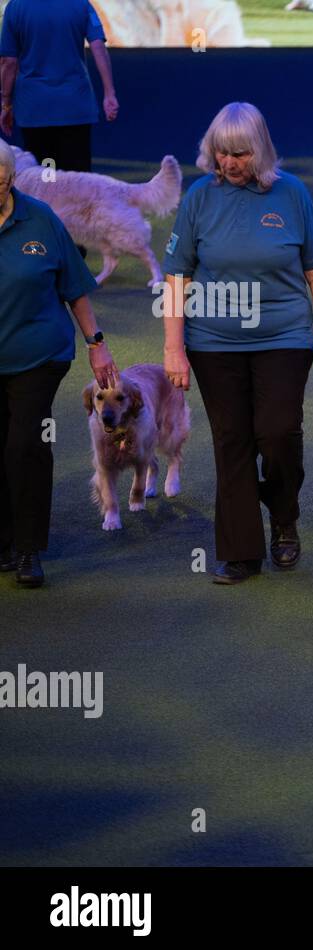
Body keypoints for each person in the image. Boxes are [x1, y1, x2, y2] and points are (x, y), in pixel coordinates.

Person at [161, 102, 313, 585]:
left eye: (240, 152)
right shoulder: (199, 198)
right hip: (214, 342)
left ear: (259, 149)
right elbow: (177, 276)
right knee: (233, 440)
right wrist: (173, 349)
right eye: (222, 153)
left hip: (283, 335)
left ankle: (284, 517)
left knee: (278, 432)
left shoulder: (291, 193)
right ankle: (241, 551)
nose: (231, 163)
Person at [0, 138, 117, 588]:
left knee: (24, 444)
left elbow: (74, 286)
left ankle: (28, 549)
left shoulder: (41, 219)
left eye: (0, 182)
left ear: (12, 180)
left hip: (38, 355)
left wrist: (96, 343)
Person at [0, 0, 120, 174]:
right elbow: (98, 46)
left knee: (46, 179)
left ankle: (49, 199)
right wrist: (109, 93)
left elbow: (8, 62)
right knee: (78, 178)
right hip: (75, 107)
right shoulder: (81, 5)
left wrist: (6, 104)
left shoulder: (16, 7)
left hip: (35, 110)